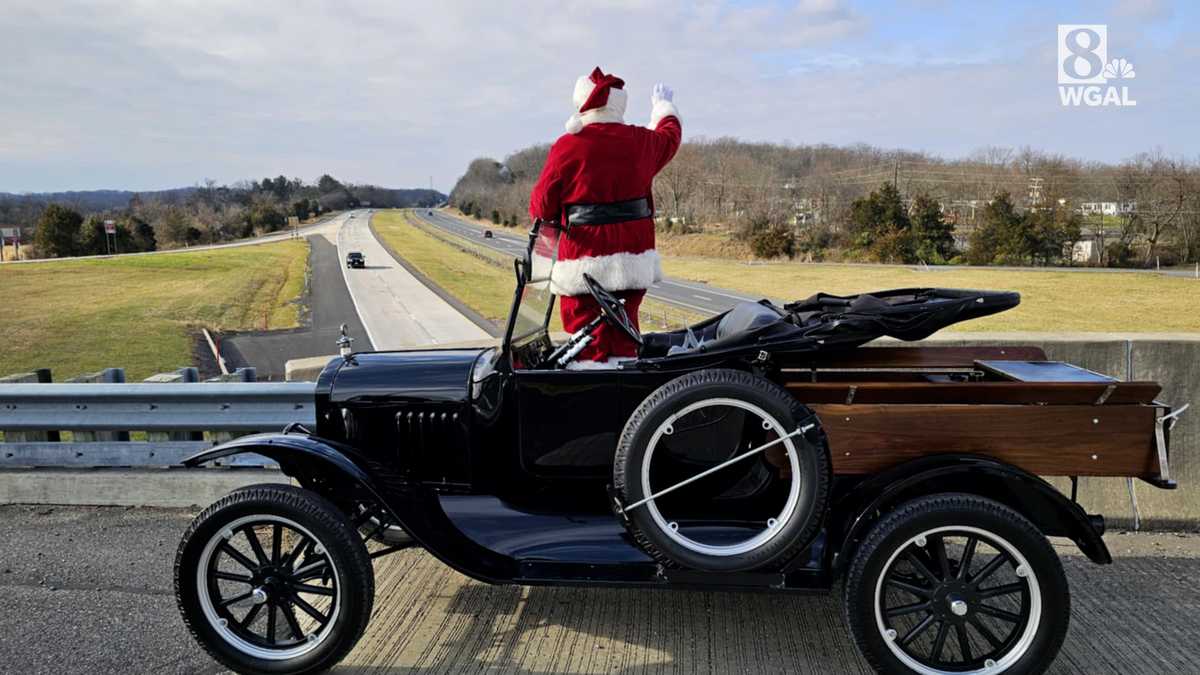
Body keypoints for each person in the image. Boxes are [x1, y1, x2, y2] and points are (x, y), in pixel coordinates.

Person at [529, 67, 682, 367]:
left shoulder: (568, 146)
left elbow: (541, 206)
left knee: (583, 337)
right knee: (625, 329)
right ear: (618, 104)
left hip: (581, 260)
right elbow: (669, 135)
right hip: (633, 258)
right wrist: (662, 109)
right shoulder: (640, 141)